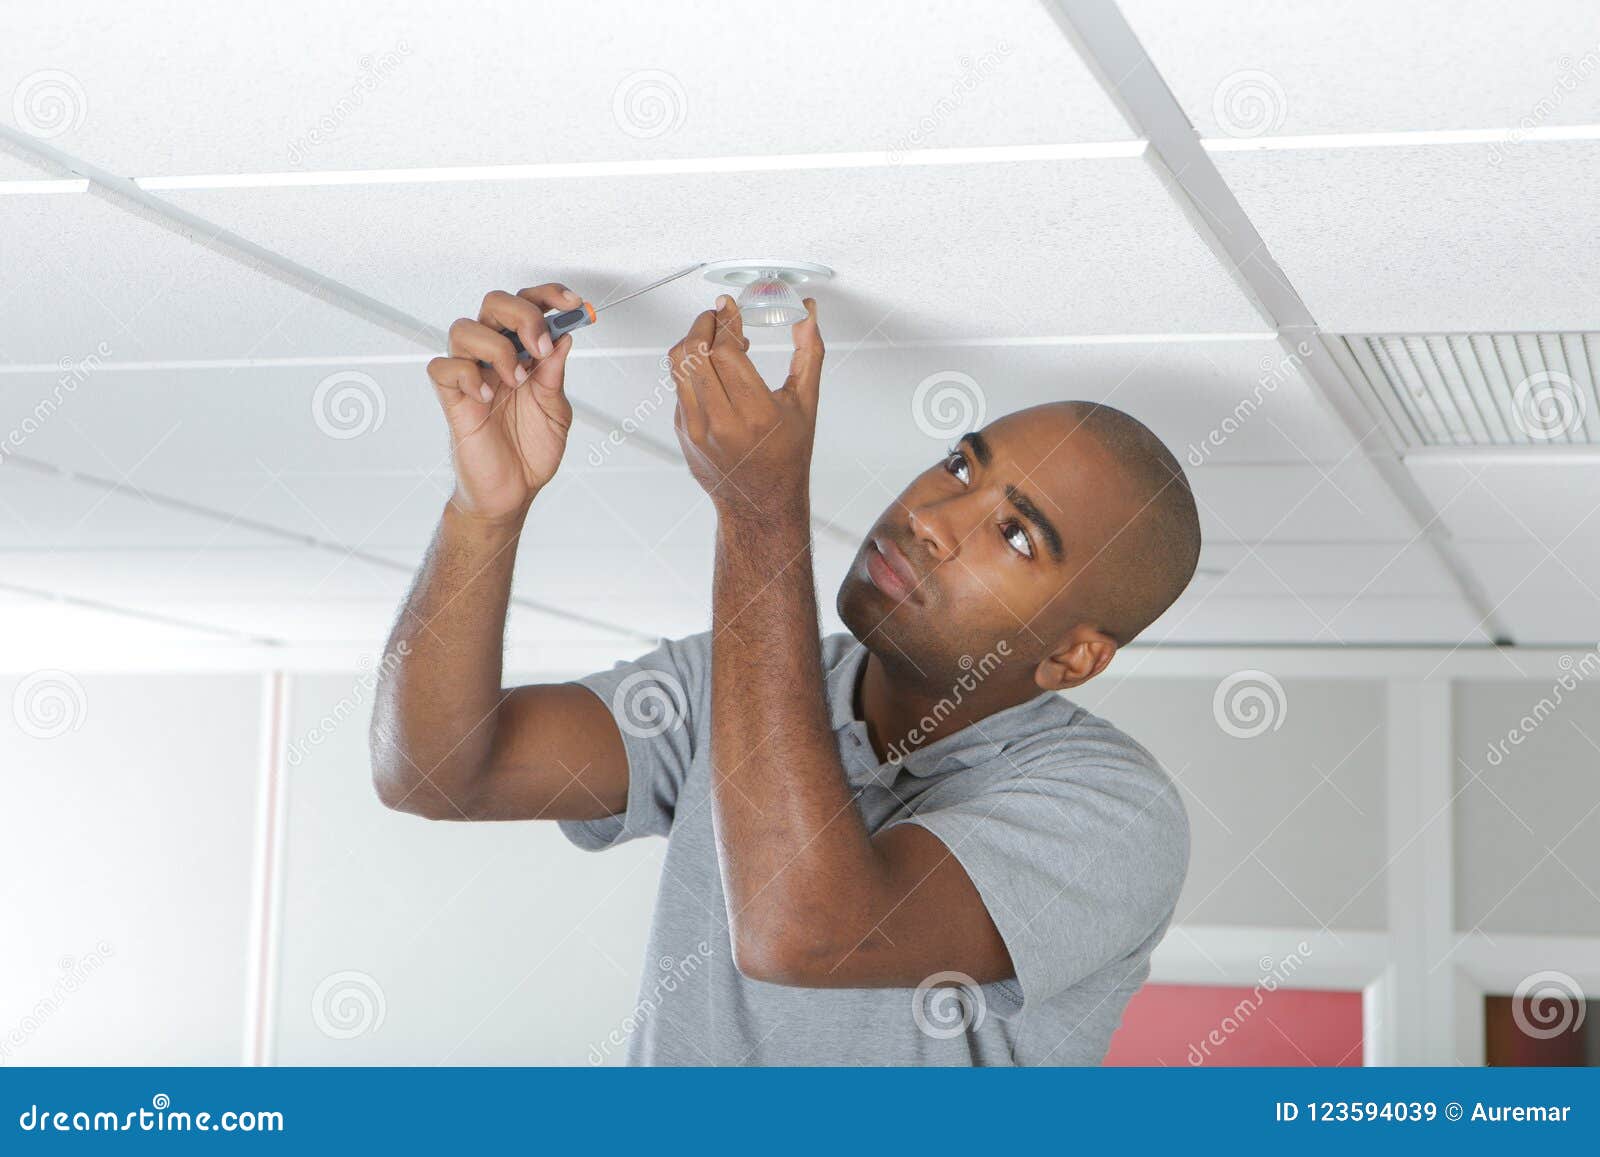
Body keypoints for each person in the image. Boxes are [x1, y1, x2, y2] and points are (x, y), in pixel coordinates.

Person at [370, 281, 1202, 1066]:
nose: (932, 522)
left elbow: (803, 931)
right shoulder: (736, 681)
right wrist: (486, 512)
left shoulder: (1116, 811)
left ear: (1071, 657)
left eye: (1016, 534)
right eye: (958, 466)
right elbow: (440, 772)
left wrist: (760, 508)